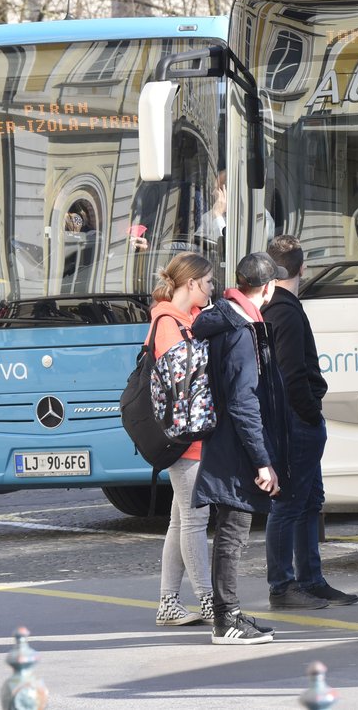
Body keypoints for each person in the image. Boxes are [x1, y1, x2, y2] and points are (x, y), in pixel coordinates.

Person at [190, 252, 291, 645]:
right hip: (235, 447)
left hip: (227, 442)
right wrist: (263, 461)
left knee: (232, 533)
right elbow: (243, 401)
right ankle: (225, 620)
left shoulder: (230, 318)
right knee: (232, 535)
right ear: (266, 288)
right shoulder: (238, 330)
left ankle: (228, 613)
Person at [262, 234, 358, 609]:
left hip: (290, 420)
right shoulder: (285, 310)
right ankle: (283, 586)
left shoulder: (274, 306)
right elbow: (291, 375)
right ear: (303, 268)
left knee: (308, 501)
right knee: (290, 503)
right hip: (295, 422)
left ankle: (310, 579)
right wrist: (309, 414)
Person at [148, 252, 216, 628]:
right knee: (195, 520)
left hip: (189, 435)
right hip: (183, 438)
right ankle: (209, 600)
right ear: (190, 284)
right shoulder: (169, 323)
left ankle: (168, 603)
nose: (211, 289)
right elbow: (188, 380)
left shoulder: (183, 320)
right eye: (206, 283)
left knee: (180, 521)